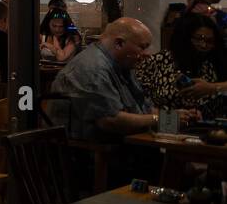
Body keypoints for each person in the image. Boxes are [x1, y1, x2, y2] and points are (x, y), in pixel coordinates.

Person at [51, 17, 192, 143]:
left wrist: (176, 118)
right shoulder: (94, 69)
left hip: (125, 147)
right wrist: (165, 119)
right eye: (142, 47)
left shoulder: (122, 64)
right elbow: (111, 120)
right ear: (119, 43)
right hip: (93, 156)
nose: (147, 54)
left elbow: (142, 110)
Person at [136, 13, 227, 114]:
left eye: (210, 41)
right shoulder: (158, 61)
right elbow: (136, 102)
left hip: (210, 126)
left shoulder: (214, 61)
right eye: (199, 39)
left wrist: (212, 88)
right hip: (164, 124)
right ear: (185, 37)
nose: (203, 45)